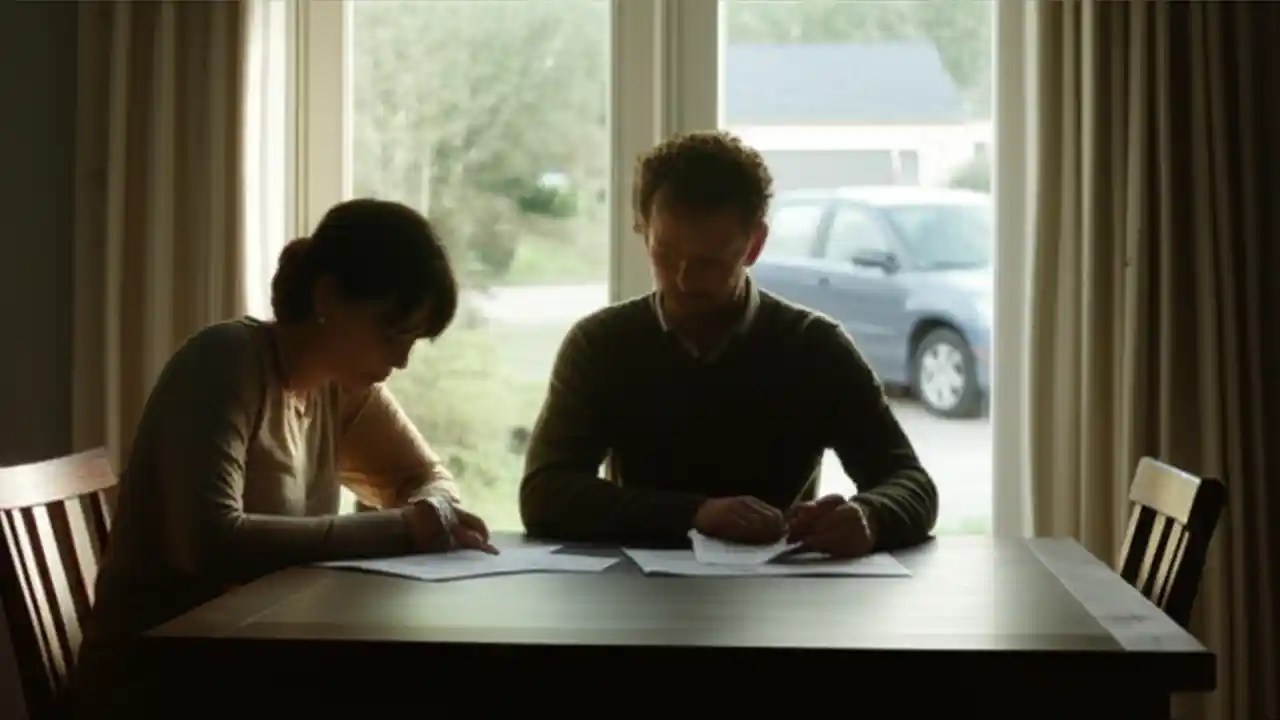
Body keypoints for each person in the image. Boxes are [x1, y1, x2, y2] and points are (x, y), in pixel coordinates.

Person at [73, 198, 493, 714]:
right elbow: (209, 543)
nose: (402, 360)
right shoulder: (225, 362)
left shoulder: (341, 390)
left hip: (255, 670)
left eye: (413, 341)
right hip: (156, 685)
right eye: (391, 332)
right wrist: (409, 526)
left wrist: (432, 507)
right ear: (328, 298)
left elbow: (426, 476)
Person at [519, 131, 937, 555]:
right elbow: (544, 494)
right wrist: (694, 514)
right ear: (643, 230)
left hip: (777, 602)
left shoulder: (814, 348)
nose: (682, 279)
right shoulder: (601, 345)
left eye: (708, 262)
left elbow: (910, 482)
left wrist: (869, 516)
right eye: (664, 254)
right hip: (636, 602)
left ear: (754, 245)